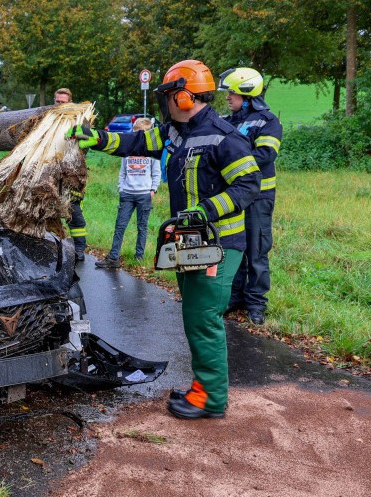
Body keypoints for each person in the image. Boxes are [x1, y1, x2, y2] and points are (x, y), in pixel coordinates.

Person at [65, 60, 261, 420]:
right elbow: (137, 141)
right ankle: (203, 386)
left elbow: (249, 185)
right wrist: (100, 139)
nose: (166, 102)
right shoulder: (176, 132)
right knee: (194, 314)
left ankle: (211, 398)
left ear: (185, 97)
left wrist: (207, 209)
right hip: (191, 239)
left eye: (169, 95)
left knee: (203, 317)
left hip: (218, 242)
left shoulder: (224, 138)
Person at [218, 68, 283, 325]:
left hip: (259, 196)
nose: (227, 97)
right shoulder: (226, 121)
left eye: (232, 93)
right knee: (235, 247)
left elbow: (266, 154)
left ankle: (256, 303)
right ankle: (234, 297)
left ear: (247, 96)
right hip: (234, 196)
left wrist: (231, 160)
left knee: (256, 250)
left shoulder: (268, 121)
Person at [96, 117, 161, 268]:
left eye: (141, 133)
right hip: (127, 194)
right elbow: (122, 172)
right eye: (135, 133)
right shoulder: (128, 150)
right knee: (120, 226)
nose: (137, 136)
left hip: (144, 195)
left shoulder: (152, 152)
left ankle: (139, 256)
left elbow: (156, 173)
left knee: (142, 227)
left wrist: (153, 190)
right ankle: (113, 258)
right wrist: (121, 188)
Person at [55, 87, 87, 261]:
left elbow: (87, 145)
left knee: (74, 213)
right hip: (49, 173)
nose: (60, 105)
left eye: (63, 102)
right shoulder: (47, 120)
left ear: (70, 103)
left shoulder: (79, 121)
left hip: (72, 175)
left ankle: (79, 248)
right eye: (57, 101)